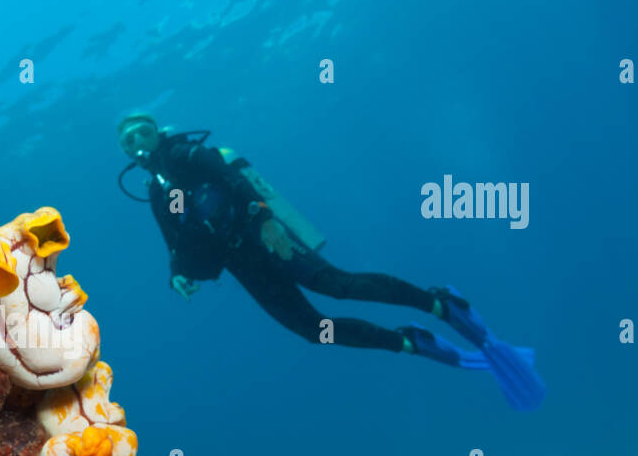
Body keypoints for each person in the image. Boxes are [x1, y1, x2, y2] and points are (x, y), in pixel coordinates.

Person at [116, 112, 545, 410]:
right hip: (244, 265)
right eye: (127, 141)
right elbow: (172, 237)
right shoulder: (159, 190)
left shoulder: (188, 156)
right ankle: (410, 341)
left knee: (340, 285)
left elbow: (235, 182)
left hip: (266, 239)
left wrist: (266, 220)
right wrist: (176, 275)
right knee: (313, 330)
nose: (136, 144)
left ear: (156, 133)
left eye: (140, 133)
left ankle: (440, 304)